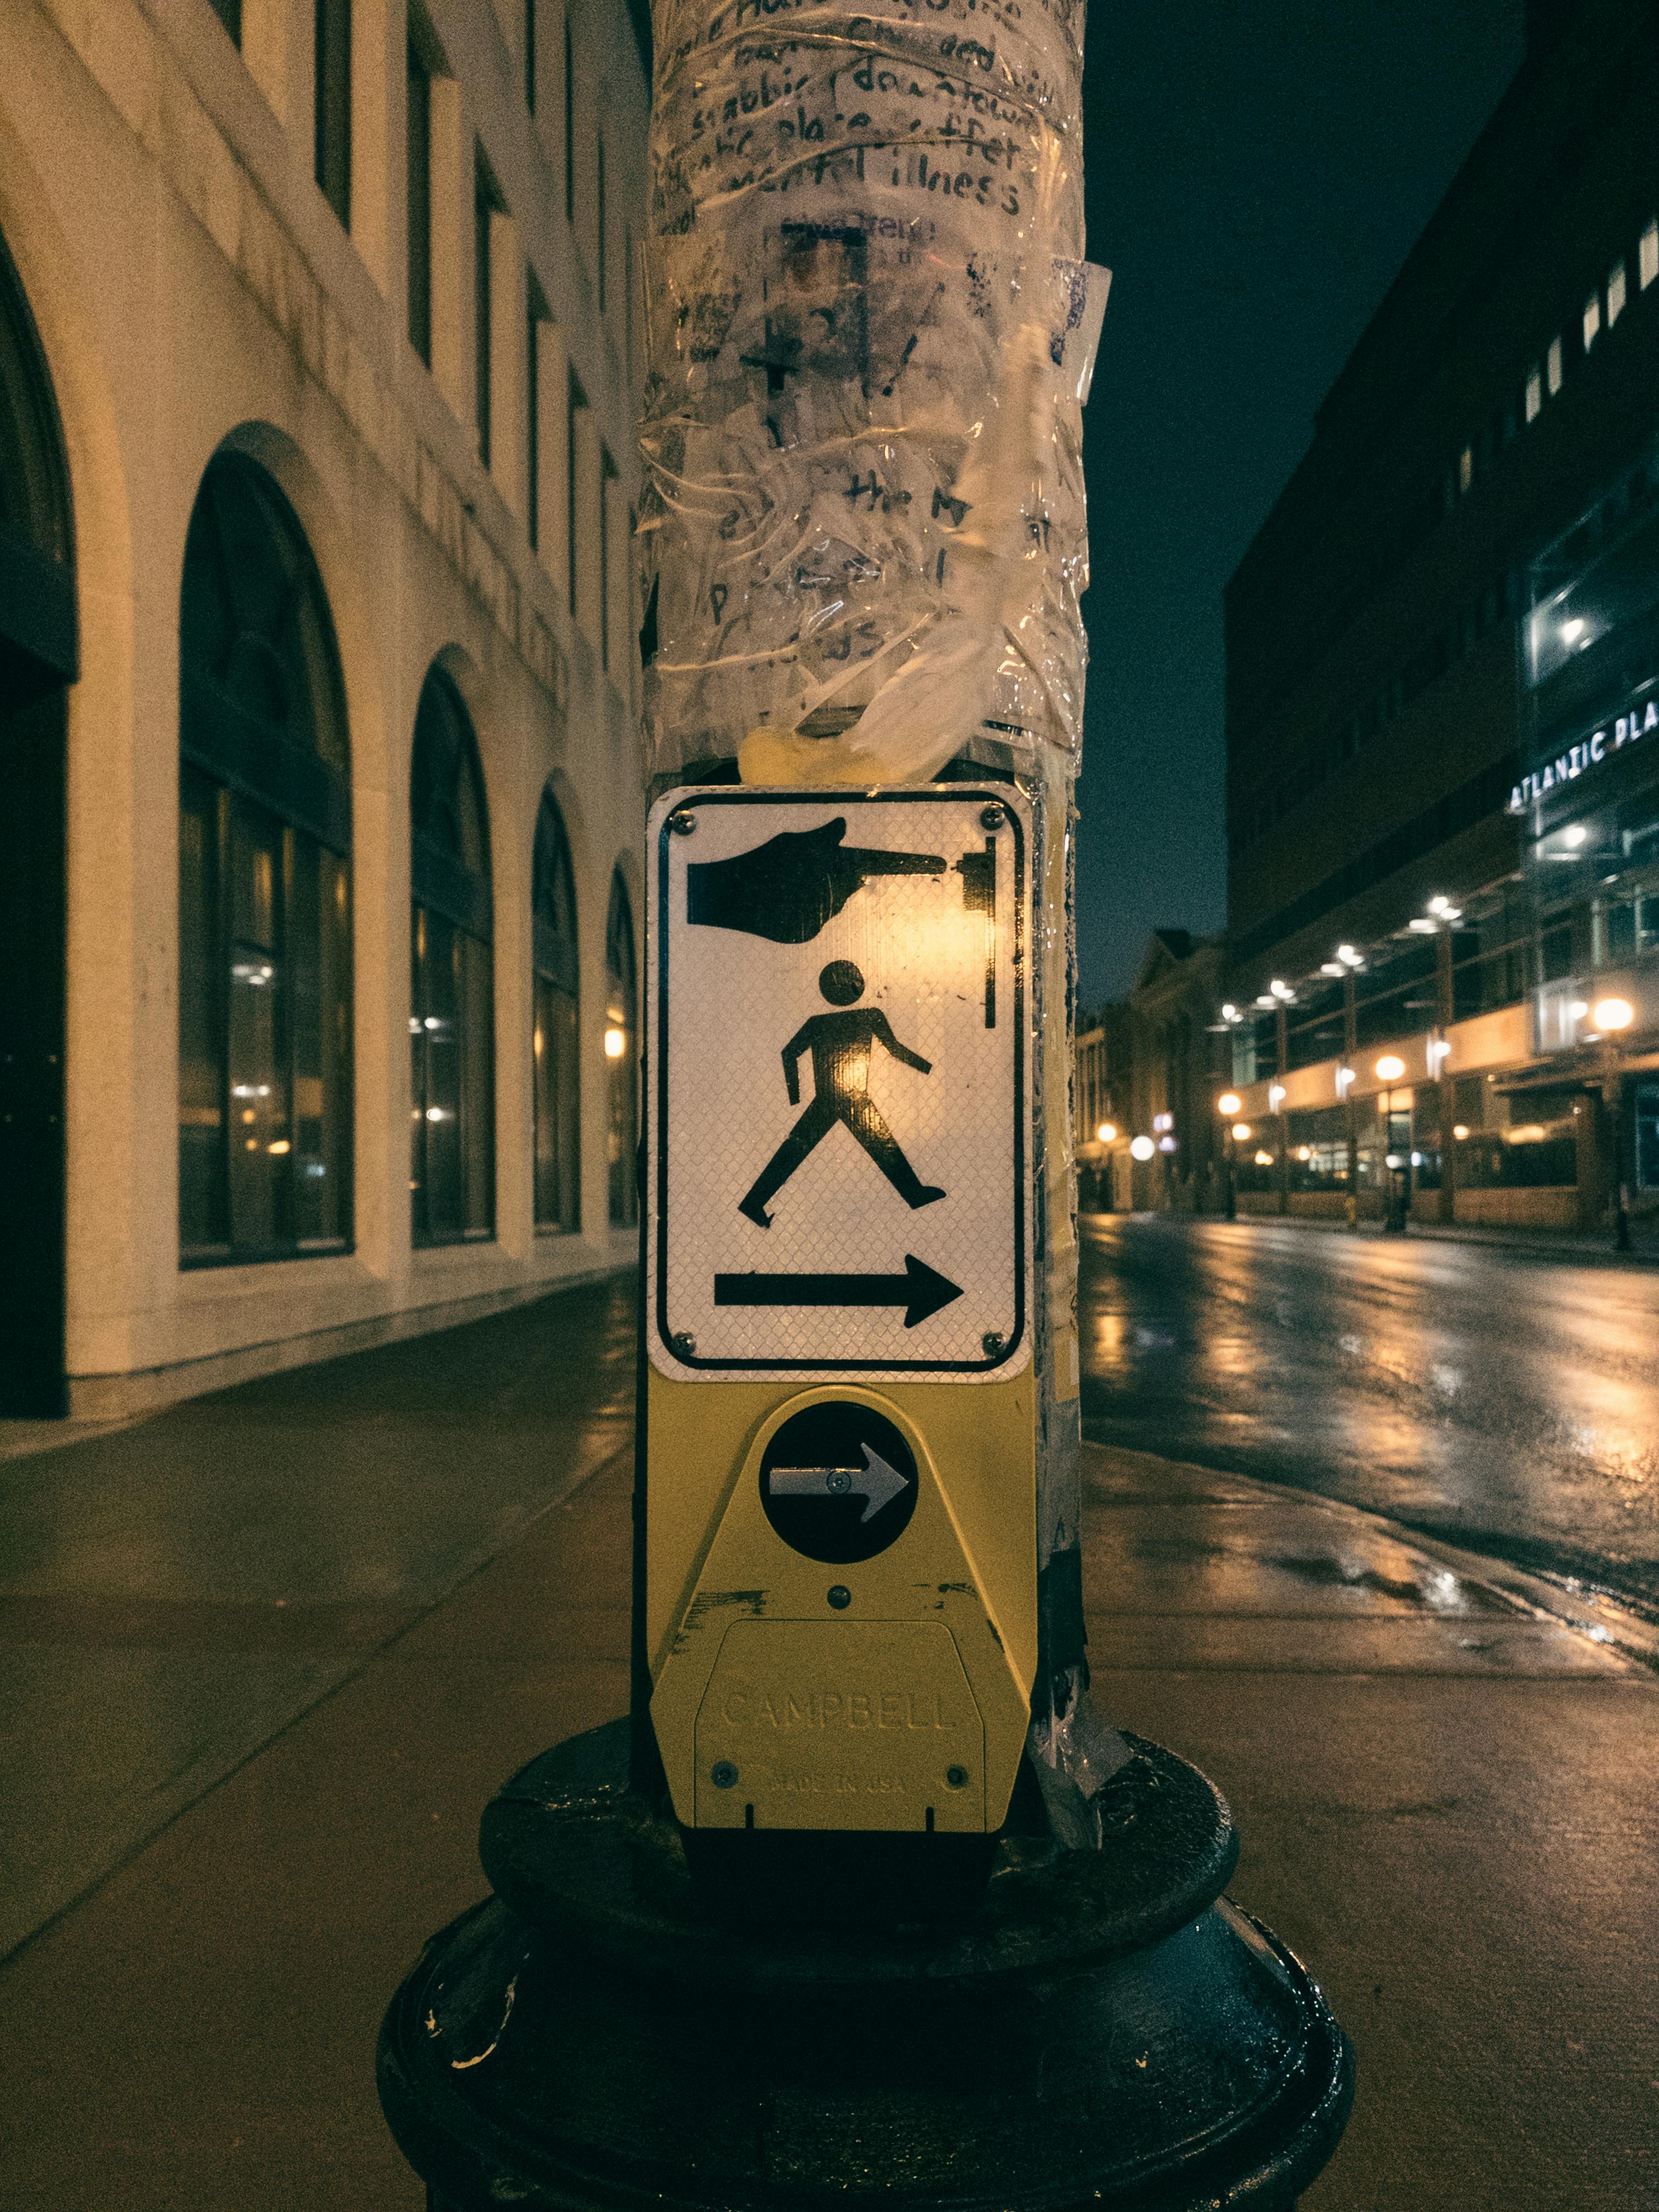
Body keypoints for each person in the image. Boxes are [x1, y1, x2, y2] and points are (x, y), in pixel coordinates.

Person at [738, 960, 946, 1227]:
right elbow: (894, 1049)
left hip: (828, 1099)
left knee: (797, 1150)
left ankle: (753, 1202)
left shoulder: (819, 1023)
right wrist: (927, 1068)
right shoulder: (869, 1015)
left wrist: (796, 1096)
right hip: (853, 1097)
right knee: (881, 1145)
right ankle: (914, 1194)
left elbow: (789, 1053)